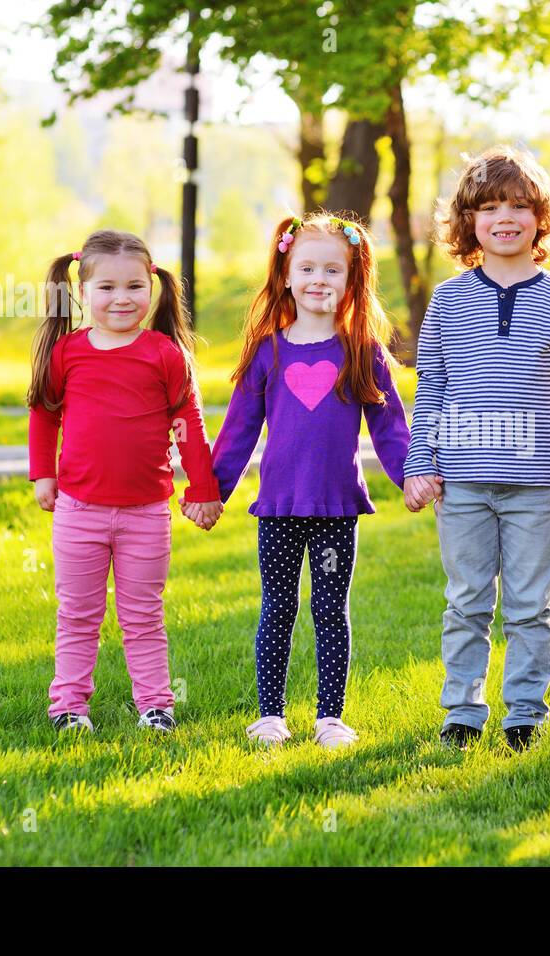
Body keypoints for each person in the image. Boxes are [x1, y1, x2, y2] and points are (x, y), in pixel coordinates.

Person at [403, 145, 550, 752]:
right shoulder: (448, 299)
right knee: (465, 601)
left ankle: (524, 715)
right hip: (460, 481)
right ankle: (462, 710)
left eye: (518, 205)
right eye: (488, 206)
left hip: (535, 484)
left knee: (529, 604)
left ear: (542, 219)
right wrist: (420, 464)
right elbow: (431, 385)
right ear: (468, 222)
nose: (503, 217)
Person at [211, 213, 409, 748]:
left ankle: (330, 717)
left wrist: (412, 477)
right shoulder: (267, 351)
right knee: (277, 606)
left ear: (352, 280)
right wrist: (211, 491)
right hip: (277, 507)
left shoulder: (362, 351)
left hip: (337, 511)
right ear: (286, 273)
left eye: (333, 270)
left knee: (329, 610)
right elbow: (238, 431)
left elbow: (390, 427)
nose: (319, 279)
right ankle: (270, 714)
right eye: (307, 268)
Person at [28, 230, 221, 735]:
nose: (121, 299)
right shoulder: (67, 353)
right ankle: (68, 707)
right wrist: (43, 473)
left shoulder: (163, 354)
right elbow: (44, 416)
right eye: (107, 288)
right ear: (84, 292)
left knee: (143, 617)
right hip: (78, 510)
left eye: (134, 286)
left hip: (146, 513)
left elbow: (189, 424)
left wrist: (202, 489)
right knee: (77, 615)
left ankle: (156, 705)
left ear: (152, 287)